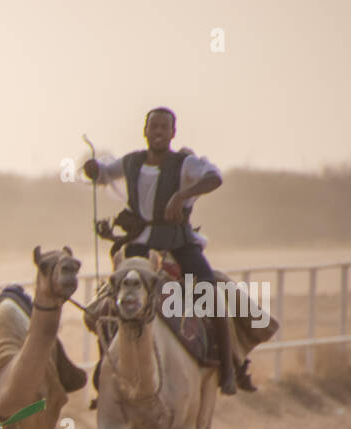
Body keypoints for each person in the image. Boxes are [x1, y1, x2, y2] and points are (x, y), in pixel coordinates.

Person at [84, 107, 254, 393]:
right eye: (154, 127)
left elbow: (215, 177)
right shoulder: (131, 163)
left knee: (210, 294)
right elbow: (103, 172)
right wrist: (92, 169)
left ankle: (228, 370)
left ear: (173, 133)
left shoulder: (185, 163)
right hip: (138, 246)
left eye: (165, 127)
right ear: (145, 130)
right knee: (108, 303)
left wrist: (181, 195)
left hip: (179, 242)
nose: (159, 132)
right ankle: (106, 371)